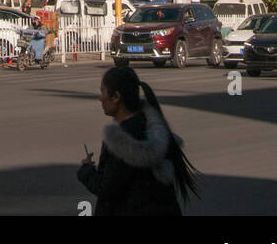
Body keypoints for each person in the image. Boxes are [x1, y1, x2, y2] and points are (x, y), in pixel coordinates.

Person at [77, 64, 199, 216]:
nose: (100, 98)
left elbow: (107, 189)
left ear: (116, 97)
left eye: (102, 91)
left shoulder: (122, 142)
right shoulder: (155, 130)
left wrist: (86, 170)